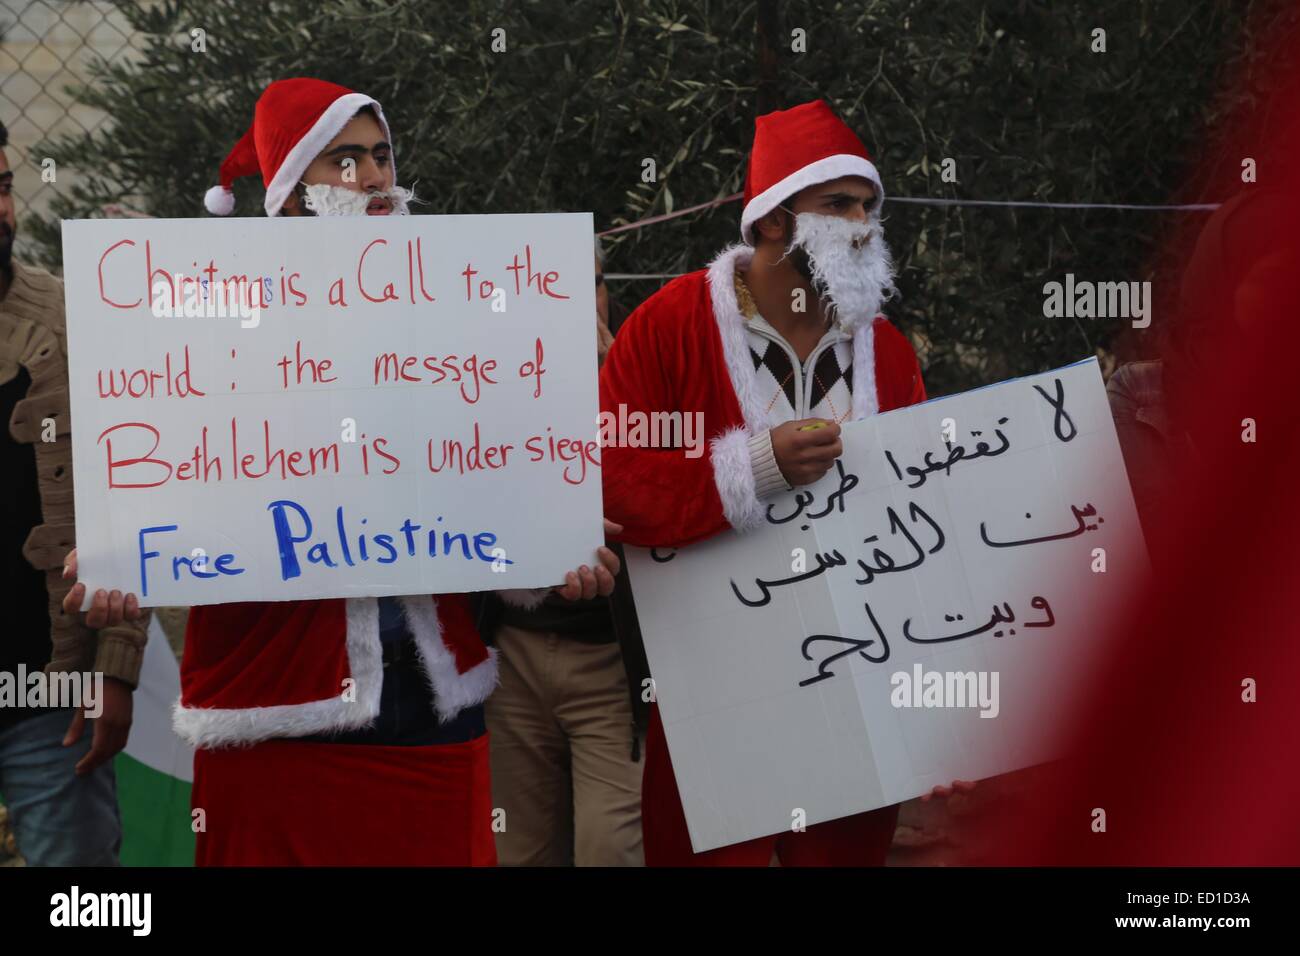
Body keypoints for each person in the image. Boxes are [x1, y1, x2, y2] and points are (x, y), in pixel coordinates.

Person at [64, 77, 620, 866]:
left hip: (431, 711)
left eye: (382, 156)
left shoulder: (455, 310)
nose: (374, 180)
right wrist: (117, 553)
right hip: (275, 711)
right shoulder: (207, 322)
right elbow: (168, 470)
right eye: (344, 160)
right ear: (290, 194)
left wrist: (550, 546)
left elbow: (493, 479)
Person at [600, 99, 969, 866]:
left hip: (859, 690)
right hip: (715, 693)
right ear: (771, 220)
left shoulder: (889, 352)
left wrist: (935, 707)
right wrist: (752, 469)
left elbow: (928, 525)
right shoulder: (669, 327)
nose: (864, 222)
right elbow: (607, 476)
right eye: (838, 205)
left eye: (869, 204)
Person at [0, 117, 148, 865]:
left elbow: (133, 499)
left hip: (46, 694)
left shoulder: (74, 316)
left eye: (0, 187)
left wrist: (115, 669)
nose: (1, 209)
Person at [473, 238, 649, 866]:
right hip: (512, 656)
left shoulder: (645, 385)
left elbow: (682, 494)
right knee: (519, 850)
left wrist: (618, 380)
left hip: (611, 664)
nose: (579, 302)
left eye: (593, 283)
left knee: (611, 850)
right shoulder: (484, 390)